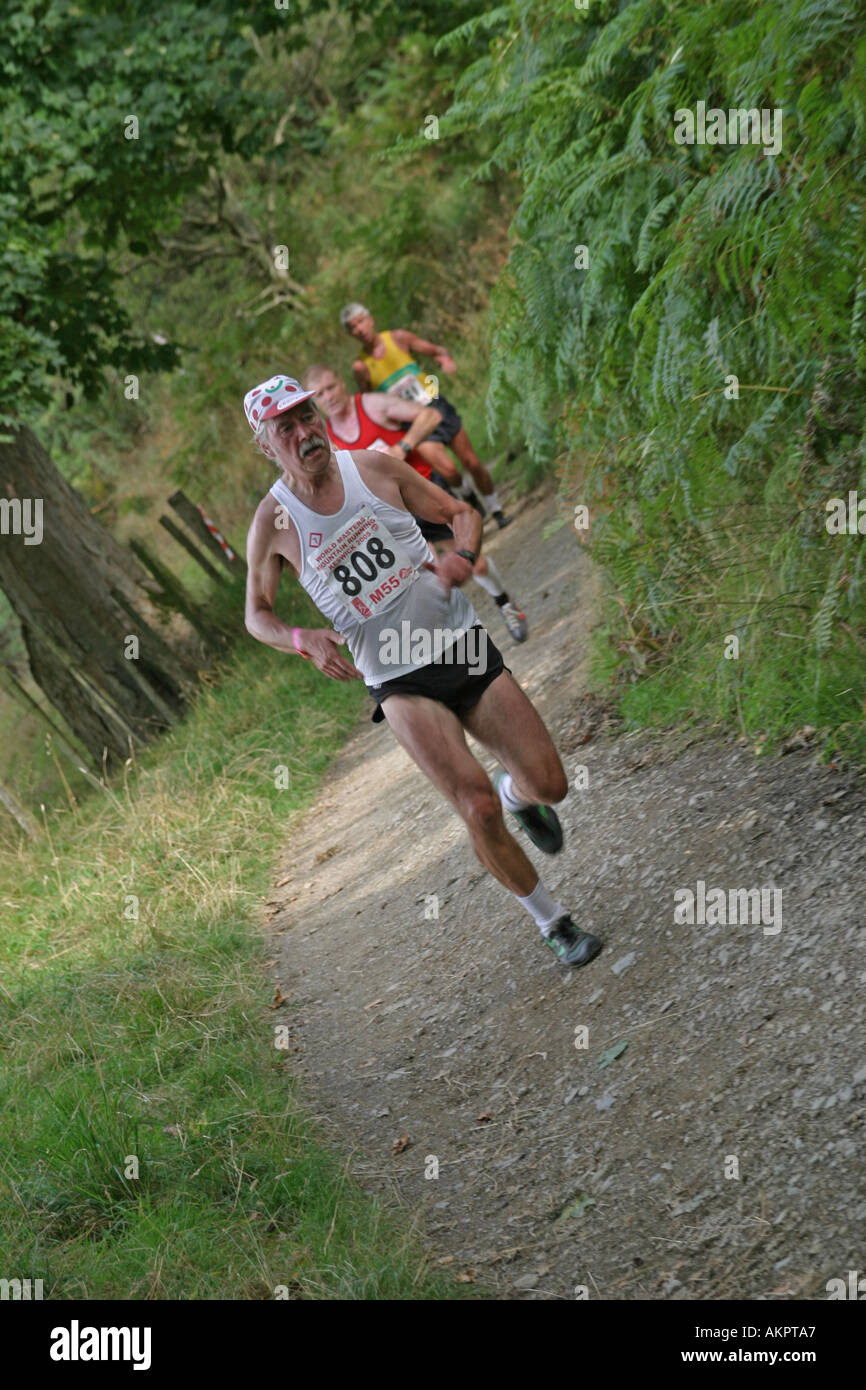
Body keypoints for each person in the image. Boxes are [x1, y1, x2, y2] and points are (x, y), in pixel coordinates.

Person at [243, 372, 603, 968]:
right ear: (266, 444)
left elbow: (459, 514)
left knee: (551, 784)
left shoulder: (374, 468)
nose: (306, 431)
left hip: (458, 642)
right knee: (474, 806)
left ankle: (521, 797)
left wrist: (461, 557)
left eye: (308, 416)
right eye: (287, 427)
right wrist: (302, 637)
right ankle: (554, 923)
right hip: (397, 679)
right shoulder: (273, 522)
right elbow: (258, 615)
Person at [303, 364, 527, 644]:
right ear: (316, 402)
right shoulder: (328, 442)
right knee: (427, 584)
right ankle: (463, 648)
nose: (329, 397)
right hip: (389, 513)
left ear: (342, 383)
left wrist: (403, 447)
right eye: (321, 394)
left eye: (331, 387)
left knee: (473, 562)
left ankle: (505, 603)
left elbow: (430, 415)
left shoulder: (373, 406)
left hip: (423, 491)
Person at [340, 301, 514, 530]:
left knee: (471, 461)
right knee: (449, 471)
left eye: (361, 322)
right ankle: (469, 496)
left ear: (370, 319)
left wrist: (445, 359)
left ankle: (496, 509)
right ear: (351, 334)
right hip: (412, 423)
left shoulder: (398, 338)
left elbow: (435, 351)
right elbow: (369, 403)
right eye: (353, 327)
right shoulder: (361, 367)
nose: (359, 329)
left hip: (434, 405)